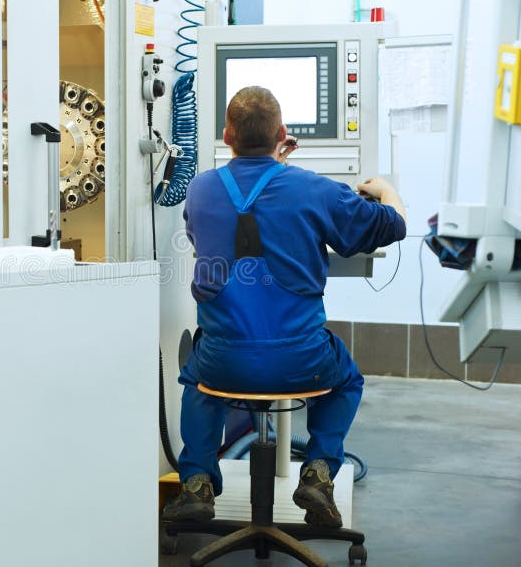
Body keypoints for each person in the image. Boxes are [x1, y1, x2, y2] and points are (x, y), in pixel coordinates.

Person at [162, 86, 406, 527]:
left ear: (227, 136)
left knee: (197, 378)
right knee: (347, 379)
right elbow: (390, 226)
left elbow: (224, 230)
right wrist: (387, 190)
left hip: (224, 363)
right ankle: (318, 473)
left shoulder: (198, 190)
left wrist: (274, 169)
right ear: (282, 134)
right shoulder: (313, 189)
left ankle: (196, 483)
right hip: (302, 363)